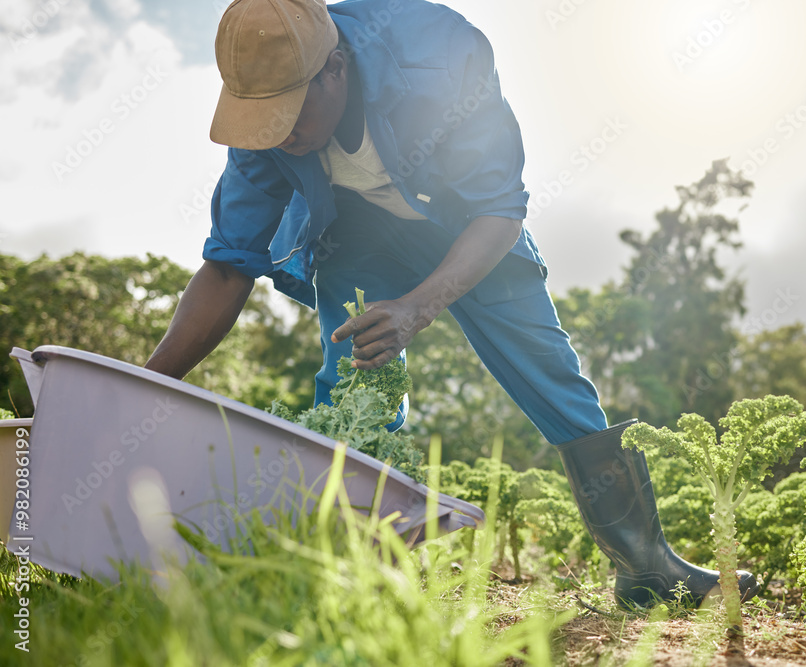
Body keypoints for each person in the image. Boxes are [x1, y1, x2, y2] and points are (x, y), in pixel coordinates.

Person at [145, 0, 758, 608]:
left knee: (550, 373)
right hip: (350, 236)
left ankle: (646, 565)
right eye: (263, 121)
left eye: (289, 115)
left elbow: (499, 207)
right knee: (355, 389)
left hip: (469, 228)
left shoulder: (437, 55)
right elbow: (228, 265)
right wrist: (138, 385)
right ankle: (358, 578)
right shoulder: (264, 116)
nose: (277, 135)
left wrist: (418, 306)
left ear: (334, 68)